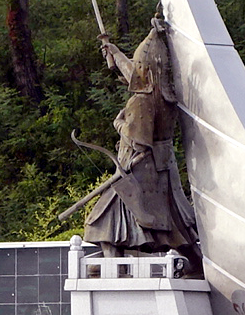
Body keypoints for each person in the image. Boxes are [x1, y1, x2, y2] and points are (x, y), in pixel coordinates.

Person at [79, 16, 200, 265]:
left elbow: (137, 138)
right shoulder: (167, 96)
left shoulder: (141, 101)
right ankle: (196, 264)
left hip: (136, 168)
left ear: (145, 71)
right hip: (162, 168)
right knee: (174, 225)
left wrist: (119, 124)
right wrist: (114, 52)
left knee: (104, 221)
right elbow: (136, 75)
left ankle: (115, 270)